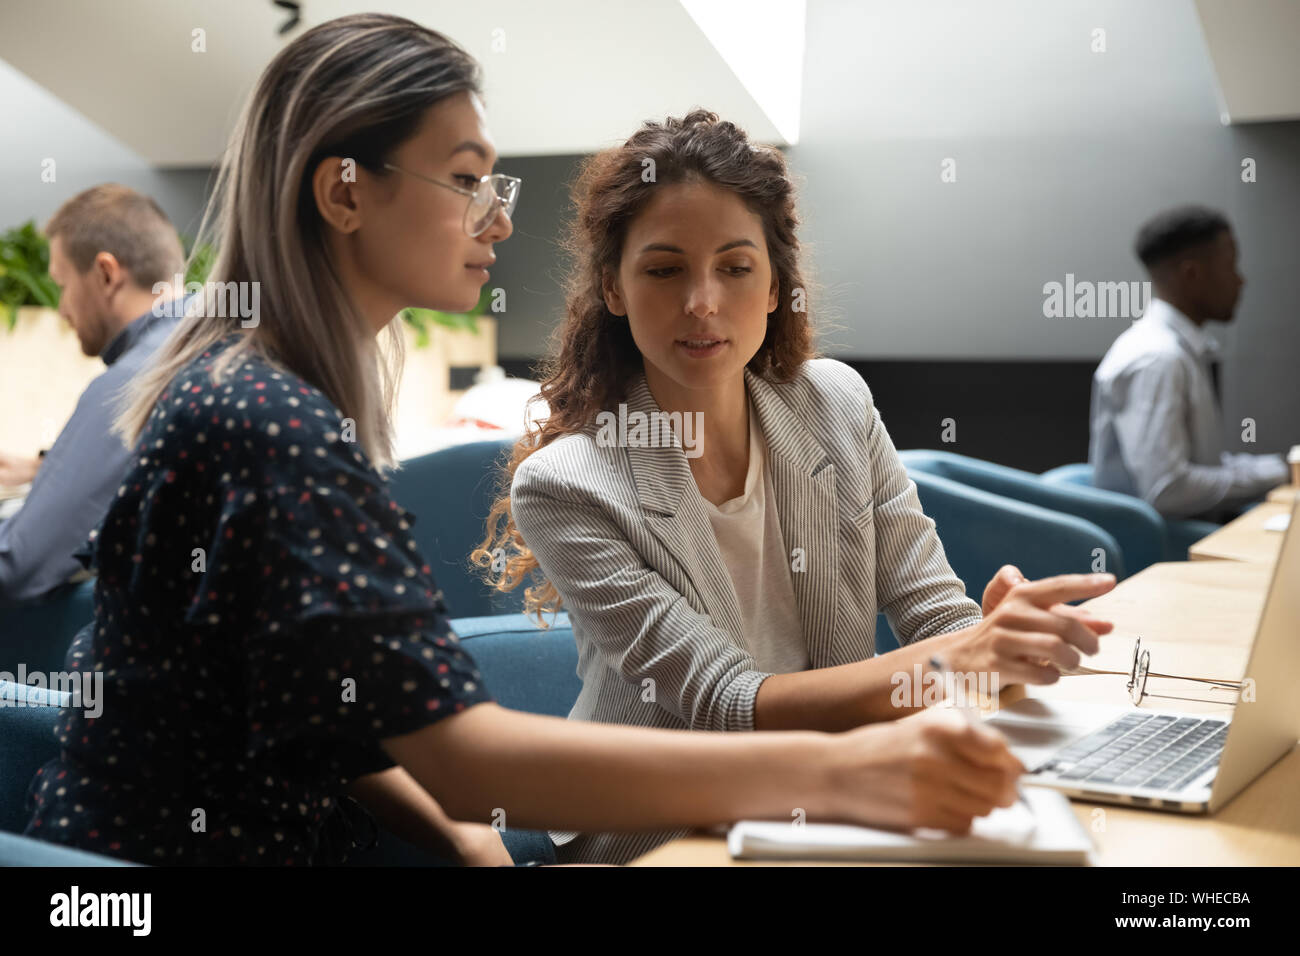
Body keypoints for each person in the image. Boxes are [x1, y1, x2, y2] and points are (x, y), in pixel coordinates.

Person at [24, 13, 1028, 867]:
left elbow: (320, 695)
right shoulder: (268, 423)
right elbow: (468, 756)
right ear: (343, 192)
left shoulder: (260, 394)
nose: (496, 223)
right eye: (468, 180)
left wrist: (462, 838)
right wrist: (847, 768)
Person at [478, 109, 1117, 864]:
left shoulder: (836, 404)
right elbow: (725, 704)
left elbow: (932, 611)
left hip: (850, 809)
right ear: (613, 289)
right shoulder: (569, 485)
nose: (703, 302)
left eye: (736, 266)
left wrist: (995, 649)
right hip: (667, 836)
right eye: (664, 268)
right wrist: (961, 660)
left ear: (777, 284)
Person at [0, 185, 185, 602]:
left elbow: (19, 563)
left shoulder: (135, 381)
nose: (62, 309)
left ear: (105, 273)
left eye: (62, 285)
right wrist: (42, 468)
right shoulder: (212, 342)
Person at [1091, 205, 1289, 521]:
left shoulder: (1177, 350)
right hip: (1163, 550)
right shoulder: (1159, 359)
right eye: (1231, 266)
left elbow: (1201, 466)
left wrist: (1282, 468)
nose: (1241, 280)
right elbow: (1167, 490)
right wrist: (1278, 475)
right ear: (1192, 274)